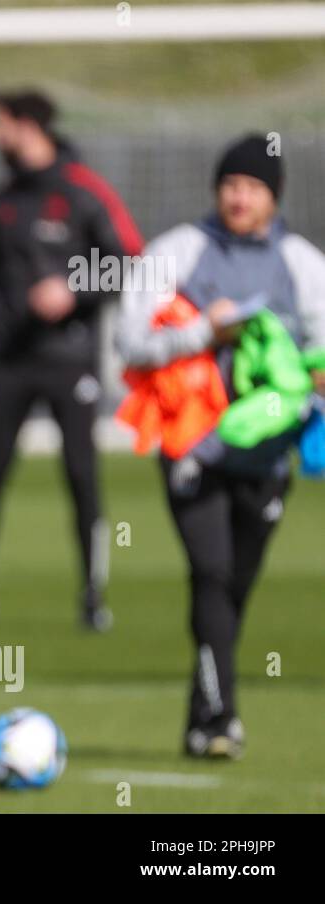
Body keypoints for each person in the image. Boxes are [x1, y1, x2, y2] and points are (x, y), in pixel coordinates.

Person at [117, 133, 325, 759]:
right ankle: (220, 721)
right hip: (190, 444)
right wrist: (206, 331)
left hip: (266, 454)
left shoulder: (302, 263)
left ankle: (200, 715)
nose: (239, 198)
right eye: (230, 185)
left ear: (274, 196)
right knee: (209, 573)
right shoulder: (180, 251)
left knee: (234, 586)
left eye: (253, 187)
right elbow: (131, 343)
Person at [0, 89, 143, 631]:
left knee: (81, 475)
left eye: (0, 125)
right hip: (9, 360)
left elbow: (130, 263)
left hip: (70, 359)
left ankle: (92, 596)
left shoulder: (85, 192)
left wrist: (72, 290)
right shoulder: (2, 200)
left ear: (26, 126)